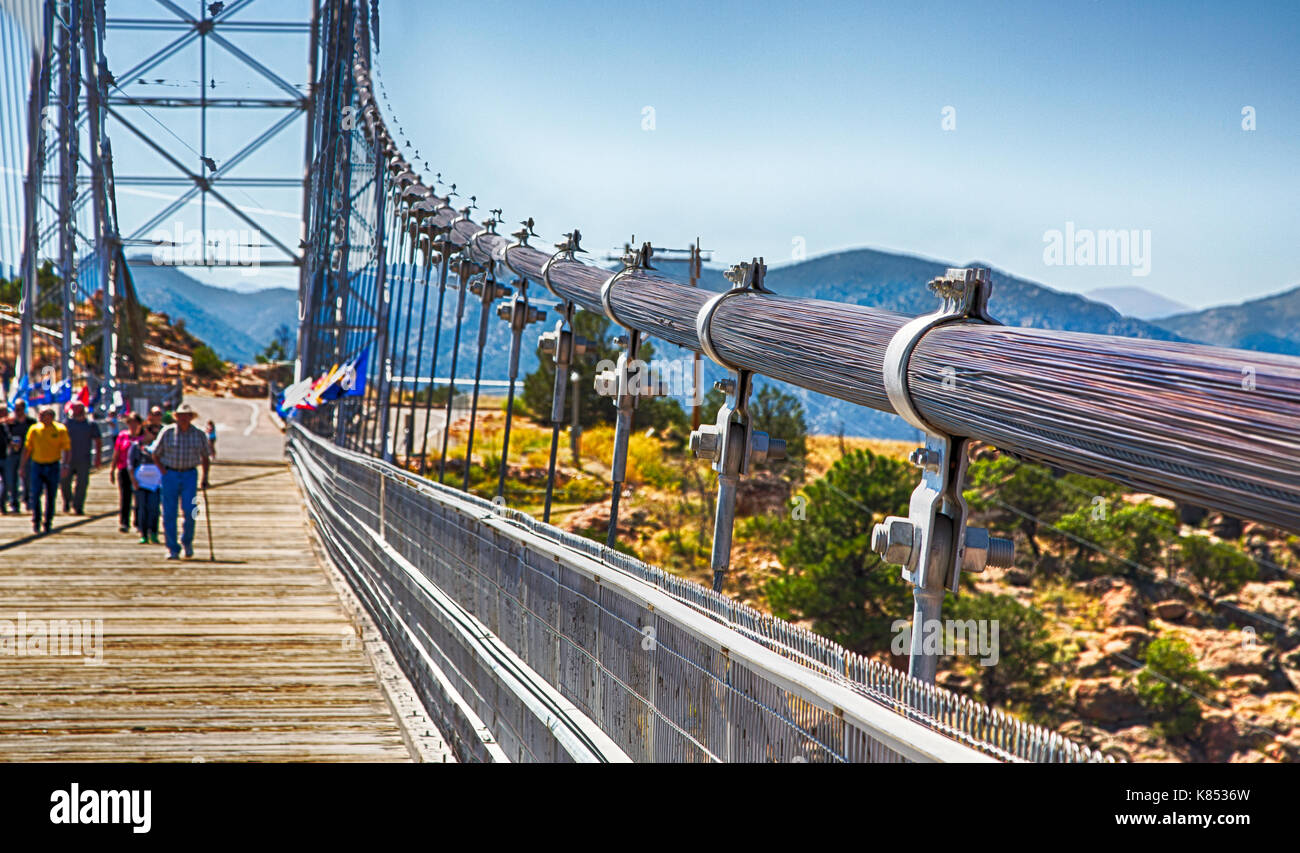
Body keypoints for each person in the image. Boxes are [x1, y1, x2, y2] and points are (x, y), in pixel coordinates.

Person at [148, 401, 211, 559]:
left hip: (190, 474)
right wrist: (162, 470)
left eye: (186, 416)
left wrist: (205, 477)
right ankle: (172, 548)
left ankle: (187, 541)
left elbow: (205, 456)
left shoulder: (199, 434)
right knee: (169, 512)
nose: (183, 419)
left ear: (190, 418)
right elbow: (155, 453)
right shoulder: (167, 432)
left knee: (190, 511)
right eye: (180, 416)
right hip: (170, 474)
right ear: (176, 417)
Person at [20, 405, 69, 534]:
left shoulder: (60, 429)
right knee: (35, 494)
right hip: (37, 465)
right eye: (40, 415)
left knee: (51, 495)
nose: (40, 417)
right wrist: (22, 466)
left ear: (51, 417)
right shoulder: (34, 429)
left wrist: (65, 465)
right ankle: (36, 520)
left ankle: (48, 521)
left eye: (43, 415)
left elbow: (66, 448)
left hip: (53, 465)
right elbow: (27, 448)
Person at [60, 400, 102, 515]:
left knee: (82, 484)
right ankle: (67, 500)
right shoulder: (67, 423)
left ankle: (78, 506)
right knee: (64, 482)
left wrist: (98, 458)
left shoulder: (90, 424)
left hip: (84, 459)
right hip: (68, 458)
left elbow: (98, 441)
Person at [110, 412, 145, 533]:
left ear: (140, 424)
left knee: (139, 496)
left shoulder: (144, 437)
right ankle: (124, 522)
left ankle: (138, 522)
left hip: (139, 470)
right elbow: (116, 453)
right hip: (124, 469)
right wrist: (112, 469)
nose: (133, 425)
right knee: (125, 496)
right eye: (130, 422)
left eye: (135, 422)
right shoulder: (122, 435)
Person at [129, 426, 162, 545]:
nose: (155, 435)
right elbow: (131, 465)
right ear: (146, 432)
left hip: (156, 482)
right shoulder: (136, 446)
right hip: (141, 482)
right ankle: (143, 534)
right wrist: (133, 481)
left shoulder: (158, 446)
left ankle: (153, 533)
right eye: (153, 432)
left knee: (154, 509)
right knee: (142, 508)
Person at [7, 400, 36, 513]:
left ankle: (29, 501)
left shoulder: (31, 422)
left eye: (18, 409)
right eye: (15, 409)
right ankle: (14, 504)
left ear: (24, 409)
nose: (16, 411)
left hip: (28, 453)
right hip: (13, 453)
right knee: (12, 479)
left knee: (28, 479)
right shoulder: (11, 423)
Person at [0, 403, 12, 514]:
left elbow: (8, 439)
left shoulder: (5, 426)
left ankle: (2, 505)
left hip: (4, 457)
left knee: (6, 483)